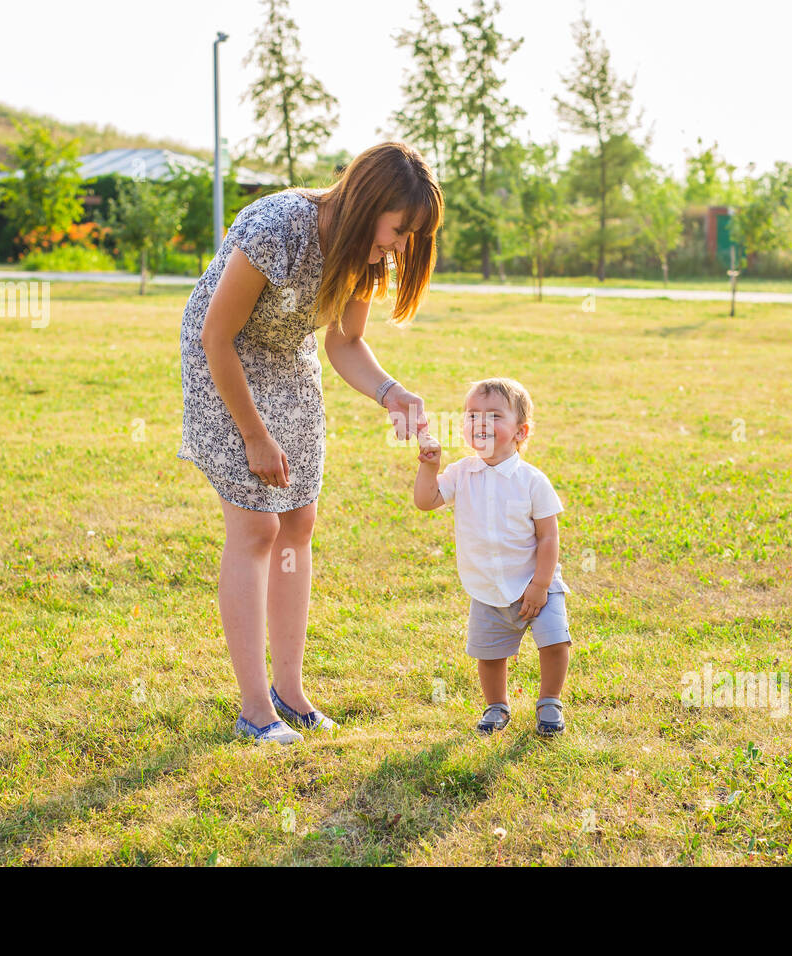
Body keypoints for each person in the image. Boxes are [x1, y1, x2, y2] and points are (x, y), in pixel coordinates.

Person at [178, 142, 444, 744]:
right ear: (369, 202)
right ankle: (254, 709)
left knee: (298, 522)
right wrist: (254, 434)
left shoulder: (365, 255)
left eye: (411, 236)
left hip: (288, 359)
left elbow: (345, 343)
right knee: (257, 529)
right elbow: (217, 335)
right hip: (223, 357)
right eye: (399, 229)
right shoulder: (278, 227)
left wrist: (392, 393)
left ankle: (290, 693)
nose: (401, 246)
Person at [413, 377, 573, 736]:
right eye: (472, 415)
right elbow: (425, 502)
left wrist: (541, 585)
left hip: (536, 582)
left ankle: (549, 701)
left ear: (521, 431)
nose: (480, 423)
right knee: (489, 653)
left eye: (494, 416)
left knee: (555, 641)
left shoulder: (532, 481)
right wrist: (429, 466)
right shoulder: (460, 474)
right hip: (485, 585)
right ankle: (496, 705)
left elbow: (548, 537)